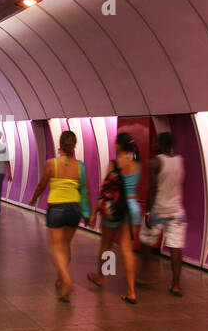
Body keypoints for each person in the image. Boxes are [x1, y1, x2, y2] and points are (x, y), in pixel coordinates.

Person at [30, 130, 89, 302]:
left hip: (56, 208)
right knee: (66, 245)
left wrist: (34, 198)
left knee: (56, 248)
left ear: (60, 144)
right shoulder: (80, 166)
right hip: (75, 208)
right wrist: (87, 213)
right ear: (74, 145)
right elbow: (84, 190)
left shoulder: (51, 163)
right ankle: (60, 278)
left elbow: (42, 184)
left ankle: (68, 281)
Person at [89, 132, 142, 304]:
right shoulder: (137, 166)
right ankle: (132, 291)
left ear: (119, 146)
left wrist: (95, 211)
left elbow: (106, 191)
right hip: (133, 208)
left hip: (115, 207)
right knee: (127, 249)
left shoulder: (113, 164)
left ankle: (101, 277)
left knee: (107, 244)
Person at [144, 131, 187, 297]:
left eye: (156, 142)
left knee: (146, 241)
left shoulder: (155, 162)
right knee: (176, 248)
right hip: (177, 211)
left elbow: (152, 188)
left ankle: (144, 274)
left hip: (158, 209)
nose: (153, 145)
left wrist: (148, 211)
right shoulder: (180, 161)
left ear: (161, 144)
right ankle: (176, 285)